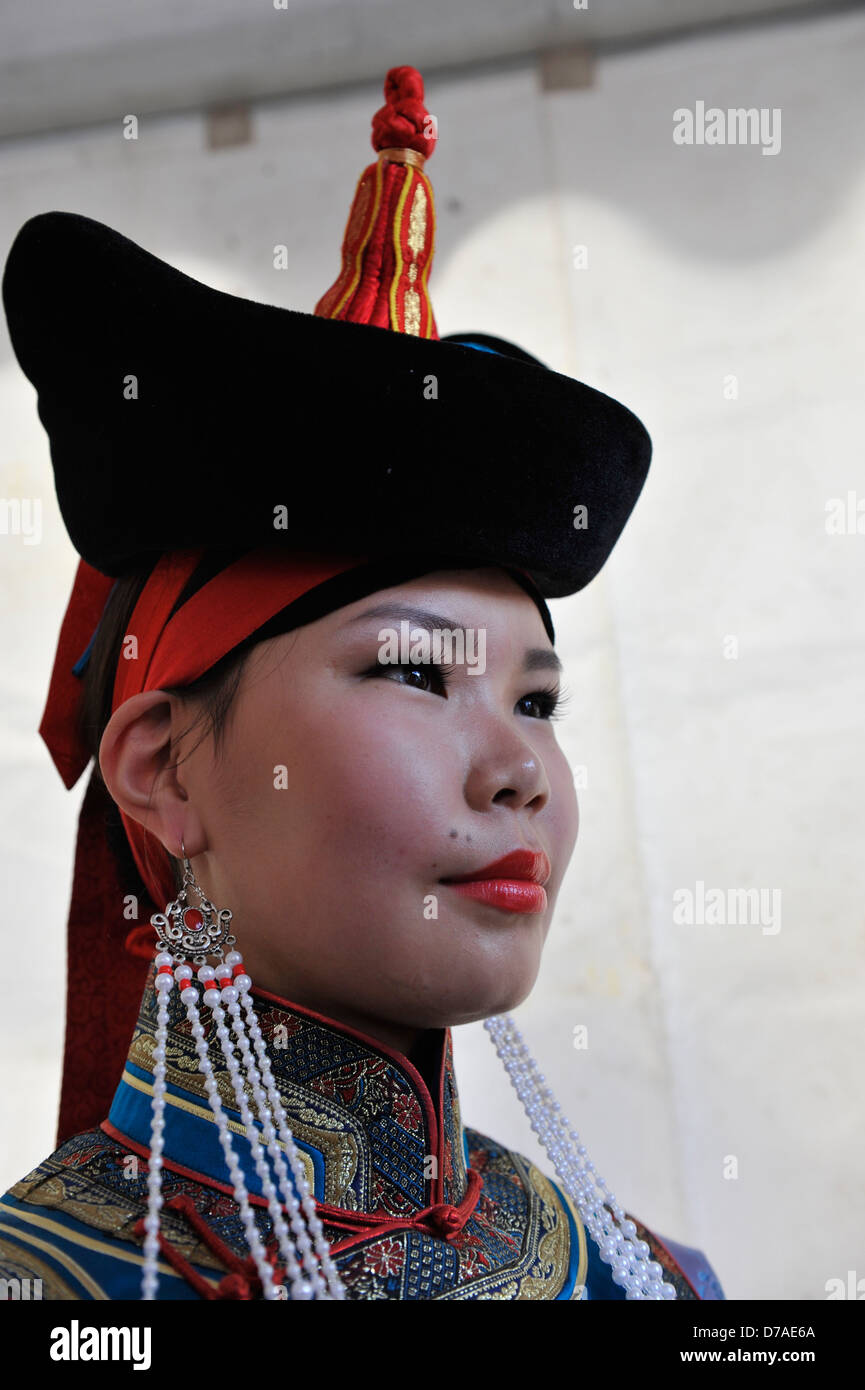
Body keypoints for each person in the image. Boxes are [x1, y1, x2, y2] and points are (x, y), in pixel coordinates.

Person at [0, 65, 724, 1301]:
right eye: (412, 672)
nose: (519, 770)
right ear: (165, 766)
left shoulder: (645, 1274)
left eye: (537, 700)